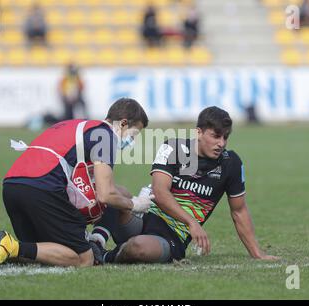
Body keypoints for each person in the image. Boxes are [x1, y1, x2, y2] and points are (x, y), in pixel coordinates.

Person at [0, 98, 154, 268]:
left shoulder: (76, 124)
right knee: (83, 258)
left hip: (12, 186)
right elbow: (105, 194)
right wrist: (135, 203)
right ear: (123, 123)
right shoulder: (105, 136)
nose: (132, 142)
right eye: (134, 134)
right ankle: (11, 245)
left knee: (41, 255)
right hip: (42, 187)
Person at [89, 106, 279, 264]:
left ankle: (104, 256)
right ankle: (96, 241)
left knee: (138, 247)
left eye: (225, 137)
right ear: (198, 132)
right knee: (116, 191)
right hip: (142, 218)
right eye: (216, 136)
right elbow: (160, 192)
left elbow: (239, 211)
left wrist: (257, 253)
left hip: (172, 236)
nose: (221, 143)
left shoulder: (231, 163)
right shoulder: (174, 147)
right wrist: (192, 223)